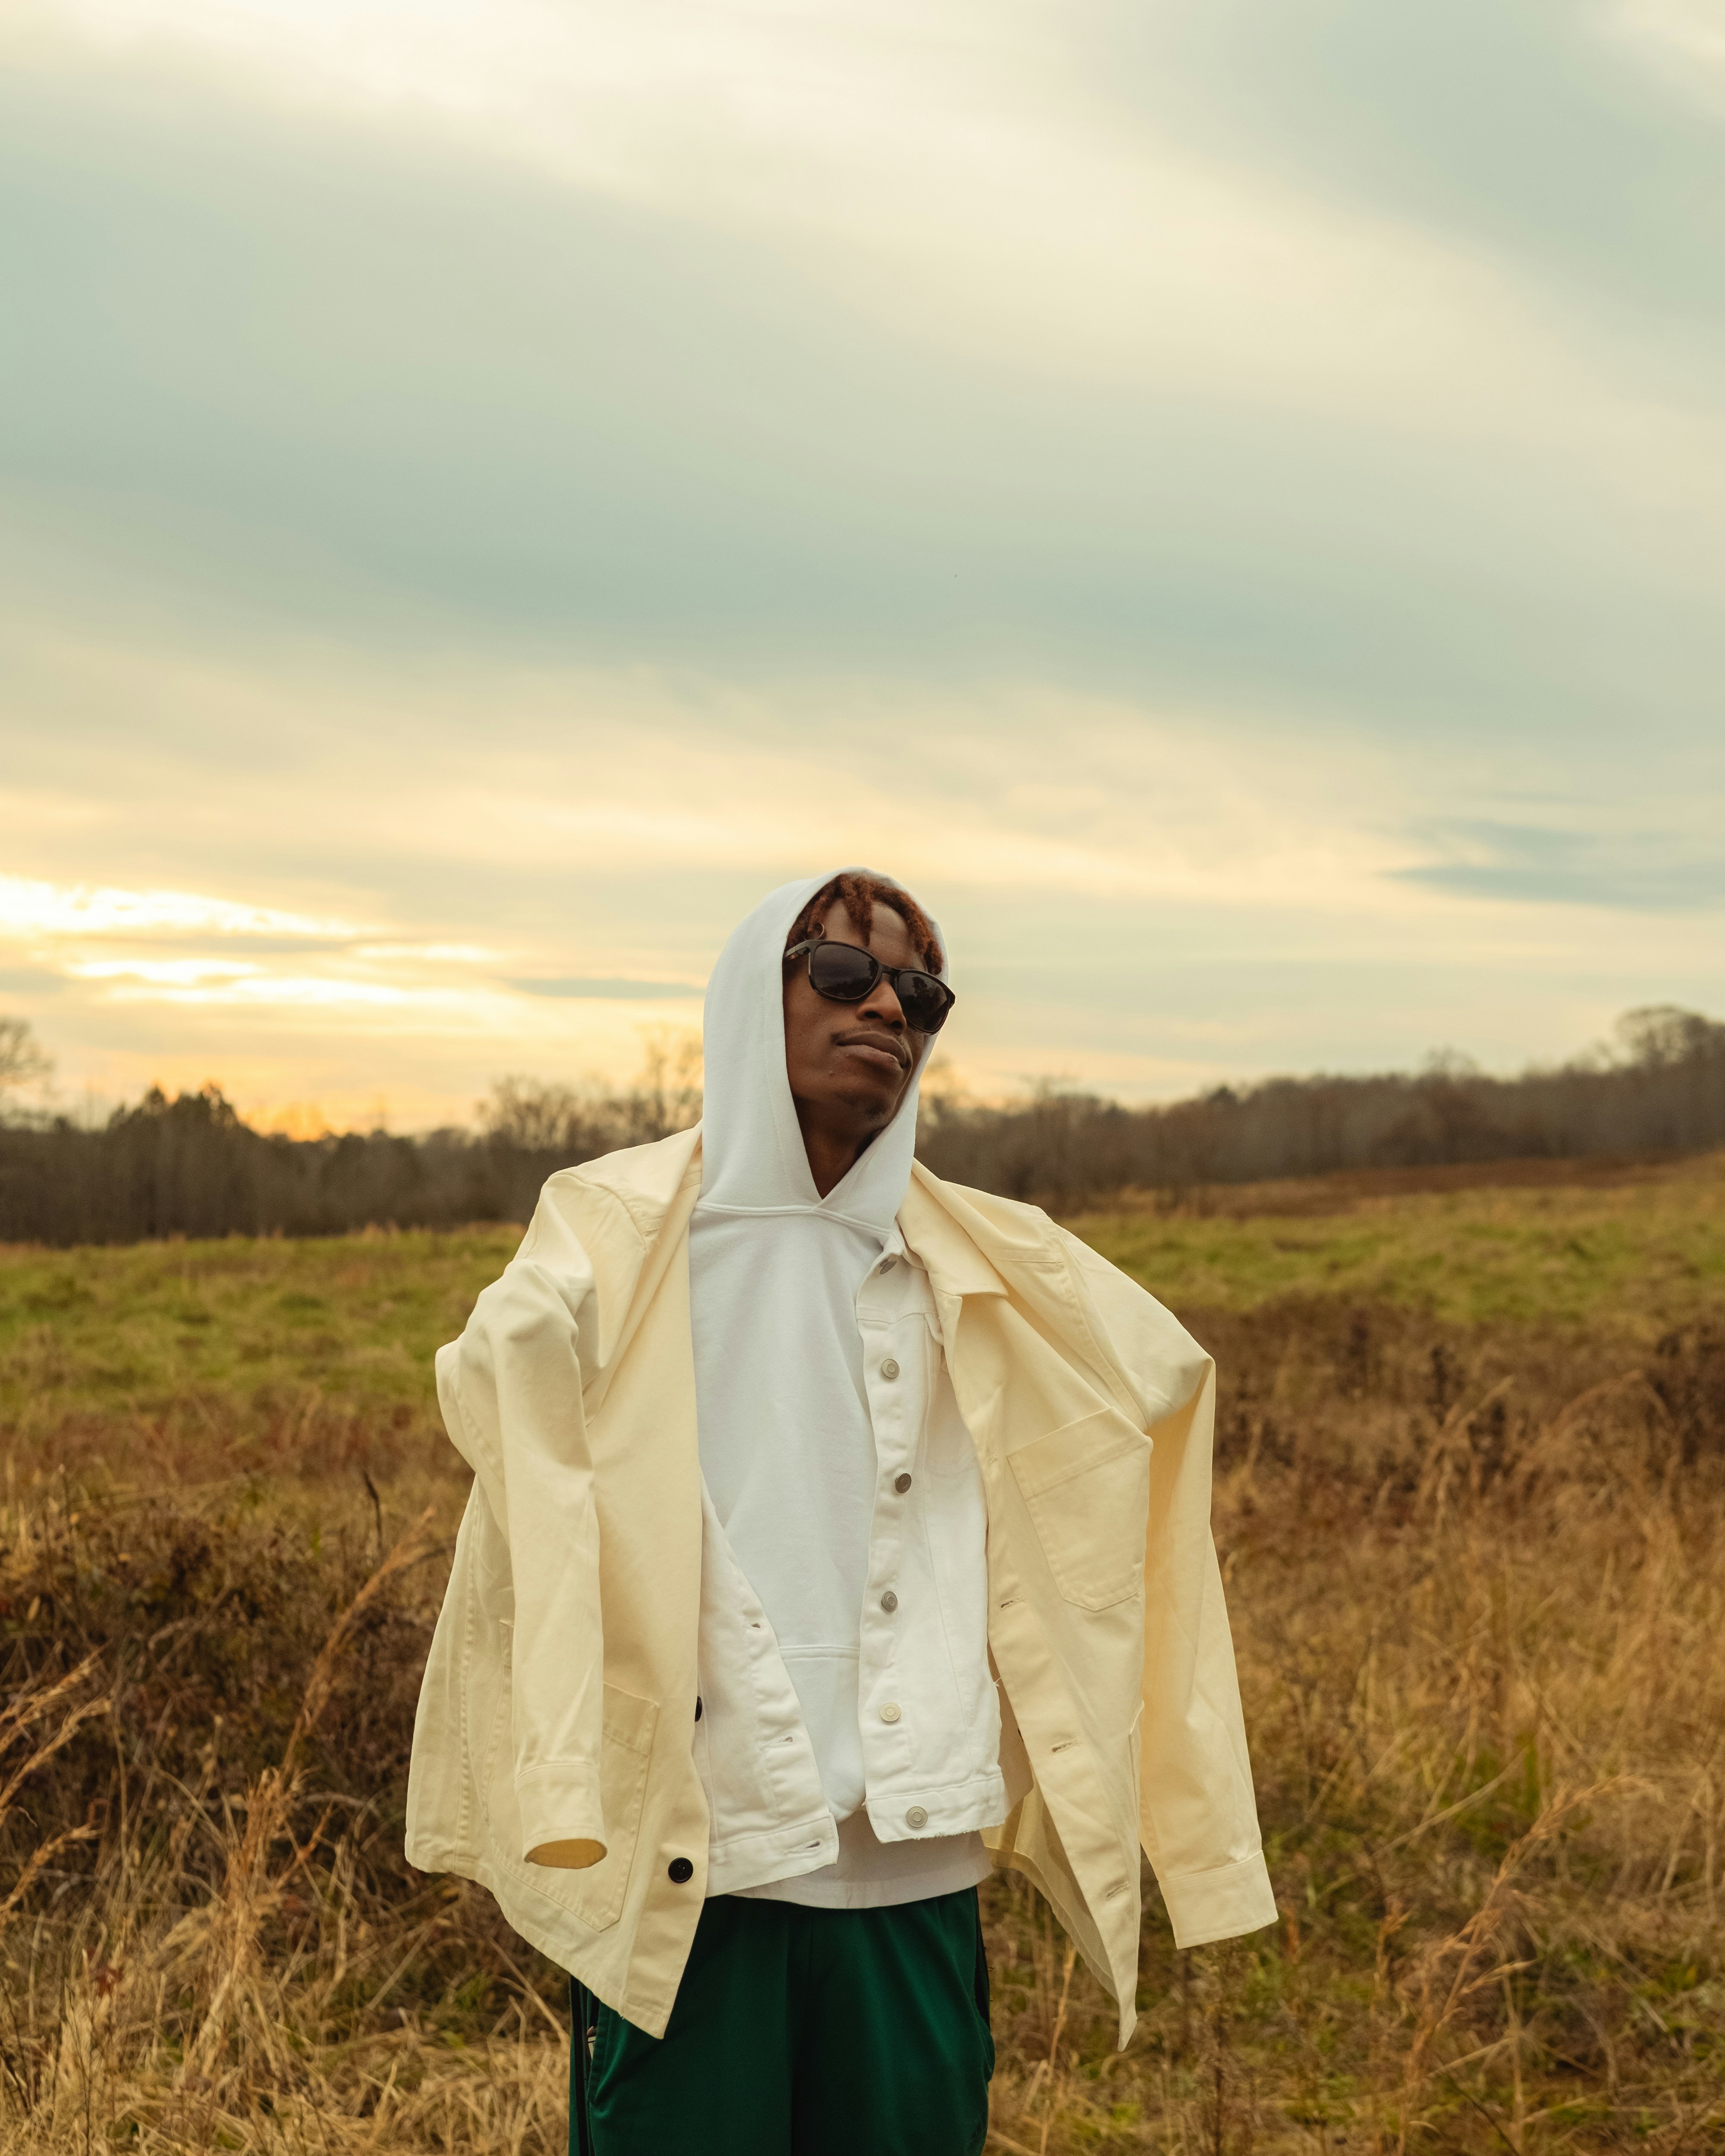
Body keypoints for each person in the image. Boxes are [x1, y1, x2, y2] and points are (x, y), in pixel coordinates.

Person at [405, 868, 1276, 2156]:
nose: (886, 1007)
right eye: (840, 971)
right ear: (755, 995)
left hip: (913, 1861)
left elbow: (1163, 1393)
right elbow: (497, 1402)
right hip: (697, 1872)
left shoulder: (988, 1257)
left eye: (919, 991)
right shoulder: (612, 1230)